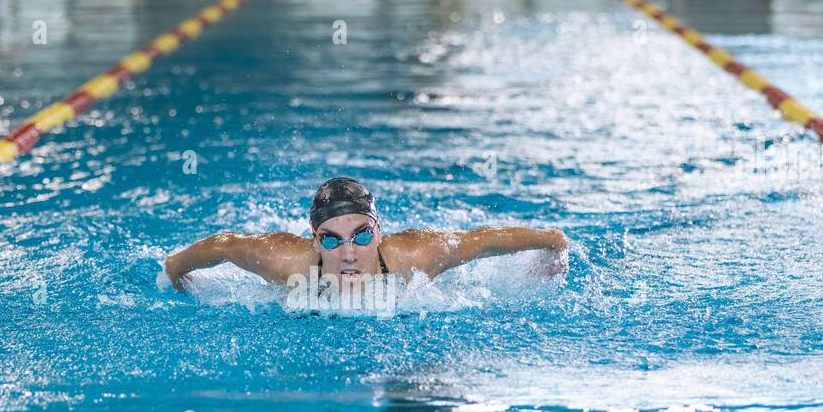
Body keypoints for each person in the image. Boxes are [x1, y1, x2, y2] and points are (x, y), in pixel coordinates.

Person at [161, 176, 567, 294]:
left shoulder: (412, 257)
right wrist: (176, 274)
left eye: (360, 235)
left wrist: (552, 242)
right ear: (315, 240)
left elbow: (482, 241)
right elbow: (225, 245)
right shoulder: (289, 263)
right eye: (332, 240)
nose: (349, 251)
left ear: (379, 231)